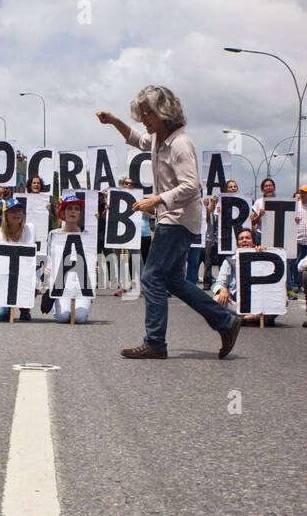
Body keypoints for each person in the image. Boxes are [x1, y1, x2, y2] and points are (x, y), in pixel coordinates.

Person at [97, 85, 240, 359]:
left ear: (163, 113)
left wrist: (157, 200)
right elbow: (136, 139)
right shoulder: (158, 139)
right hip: (172, 218)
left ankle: (155, 342)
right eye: (141, 114)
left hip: (178, 219)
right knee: (173, 280)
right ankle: (225, 321)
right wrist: (115, 121)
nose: (143, 120)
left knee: (151, 277)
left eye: (146, 114)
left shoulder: (180, 144)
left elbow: (191, 186)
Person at [42, 194, 91, 324]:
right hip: (61, 284)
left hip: (81, 284)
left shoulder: (87, 236)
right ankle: (56, 303)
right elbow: (50, 257)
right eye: (69, 208)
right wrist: (48, 268)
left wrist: (94, 269)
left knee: (79, 318)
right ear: (63, 213)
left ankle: (86, 302)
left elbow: (91, 260)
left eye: (76, 209)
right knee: (63, 317)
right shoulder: (53, 234)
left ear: (80, 214)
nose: (73, 211)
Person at [212, 227, 275, 325]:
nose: (244, 240)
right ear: (237, 245)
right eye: (241, 239)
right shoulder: (229, 261)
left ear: (254, 243)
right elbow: (219, 282)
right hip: (238, 304)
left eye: (247, 238)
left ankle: (247, 318)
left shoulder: (263, 257)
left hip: (259, 303)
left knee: (284, 300)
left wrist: (265, 255)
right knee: (217, 299)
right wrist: (222, 289)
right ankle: (252, 318)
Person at [0, 197, 35, 322]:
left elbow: (29, 257)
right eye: (12, 211)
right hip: (5, 276)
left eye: (18, 210)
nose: (16, 214)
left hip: (24, 275)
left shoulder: (29, 228)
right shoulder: (0, 232)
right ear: (6, 215)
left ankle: (24, 308)